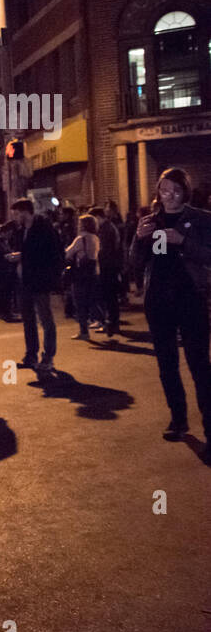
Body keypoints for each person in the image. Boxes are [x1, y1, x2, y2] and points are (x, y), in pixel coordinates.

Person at [131, 167, 211, 442]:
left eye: (176, 190)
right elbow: (134, 264)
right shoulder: (149, 222)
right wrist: (140, 241)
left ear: (185, 192)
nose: (170, 196)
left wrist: (183, 241)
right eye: (165, 190)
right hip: (159, 301)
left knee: (200, 366)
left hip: (191, 298)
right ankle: (178, 420)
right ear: (158, 191)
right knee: (167, 365)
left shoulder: (200, 219)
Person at [6, 199, 63, 374]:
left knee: (45, 319)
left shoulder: (43, 228)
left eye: (17, 213)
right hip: (25, 281)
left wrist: (22, 257)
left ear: (25, 212)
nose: (15, 217)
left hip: (39, 280)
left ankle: (48, 357)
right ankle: (31, 355)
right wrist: (19, 256)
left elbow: (53, 253)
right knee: (28, 320)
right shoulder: (22, 230)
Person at [64, 214, 100, 341]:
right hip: (93, 272)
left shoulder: (80, 239)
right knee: (91, 299)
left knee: (80, 303)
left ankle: (83, 331)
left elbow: (68, 253)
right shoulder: (95, 238)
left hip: (80, 274)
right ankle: (101, 319)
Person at [90, 204, 123, 336]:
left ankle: (111, 324)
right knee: (111, 297)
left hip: (107, 267)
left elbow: (104, 250)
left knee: (109, 297)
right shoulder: (108, 227)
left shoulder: (105, 229)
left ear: (98, 217)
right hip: (111, 266)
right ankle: (113, 323)